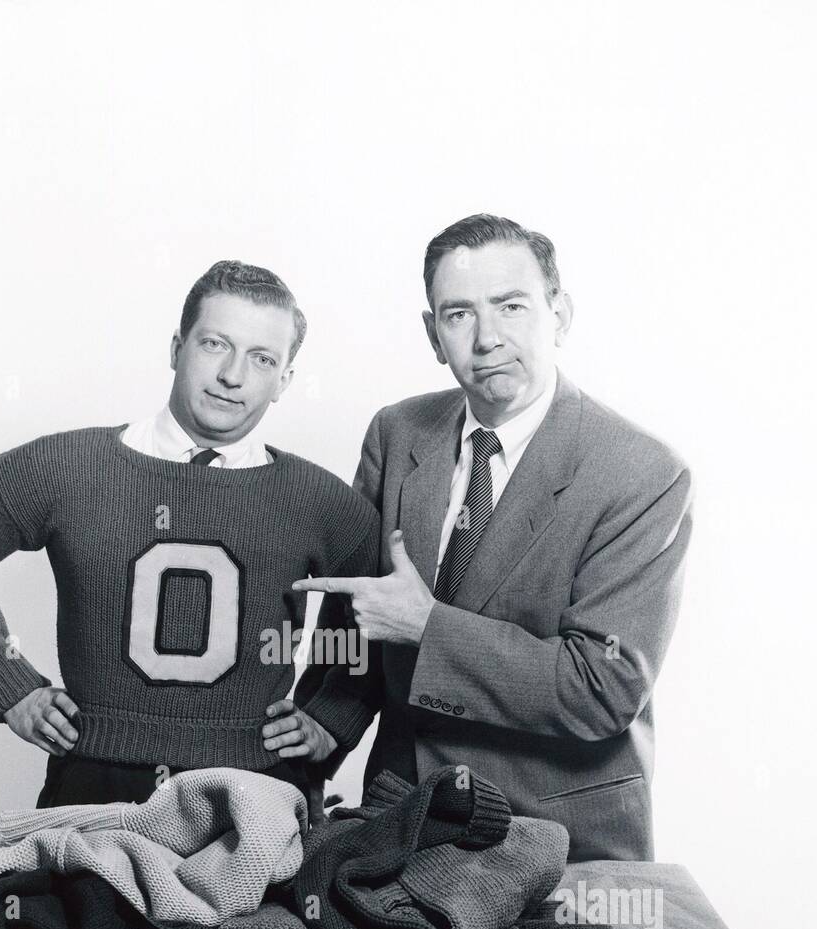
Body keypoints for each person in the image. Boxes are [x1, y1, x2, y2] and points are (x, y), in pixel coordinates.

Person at [0, 260, 375, 809]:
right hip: (93, 784)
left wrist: (329, 718)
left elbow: (372, 622)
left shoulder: (323, 502)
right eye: (215, 344)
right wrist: (10, 688)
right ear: (177, 348)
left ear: (284, 380)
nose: (233, 375)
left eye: (261, 358)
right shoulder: (65, 467)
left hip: (257, 790)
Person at [291, 214, 693, 861]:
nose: (487, 339)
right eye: (458, 315)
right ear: (432, 333)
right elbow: (360, 621)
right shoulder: (397, 432)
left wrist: (428, 627)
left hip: (554, 842)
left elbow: (603, 687)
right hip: (399, 817)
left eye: (511, 307)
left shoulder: (644, 473)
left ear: (559, 313)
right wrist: (321, 727)